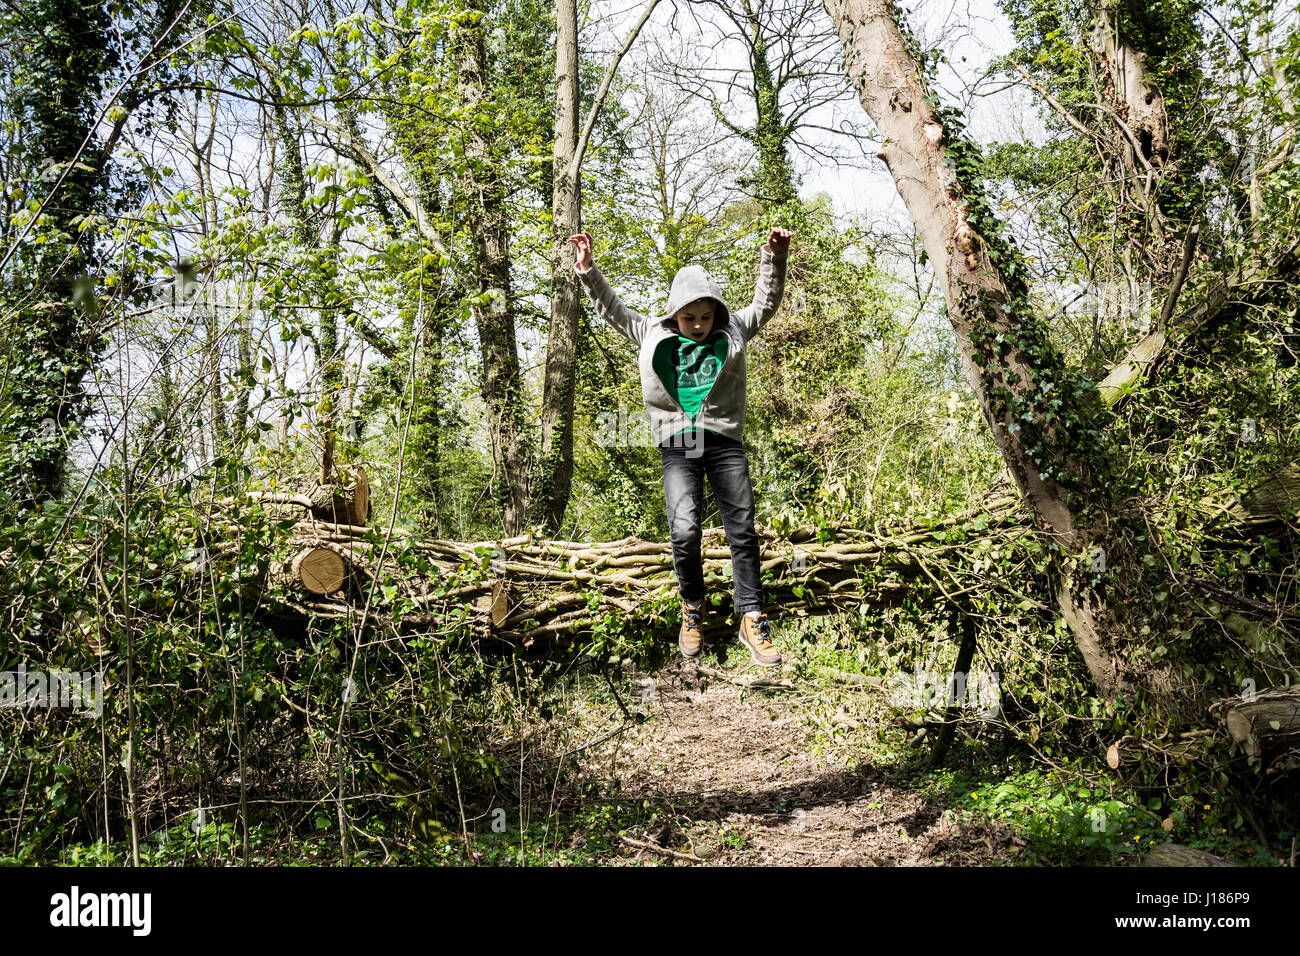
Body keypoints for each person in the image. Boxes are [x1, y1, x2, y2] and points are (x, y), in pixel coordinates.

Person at [568, 227, 792, 666]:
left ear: (715, 314)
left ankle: (751, 615)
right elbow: (611, 308)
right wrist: (588, 270)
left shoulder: (733, 330)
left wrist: (774, 257)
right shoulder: (650, 331)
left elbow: (766, 302)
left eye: (706, 318)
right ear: (675, 315)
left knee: (741, 529)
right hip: (677, 442)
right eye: (690, 319)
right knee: (685, 529)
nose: (698, 327)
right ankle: (693, 609)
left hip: (724, 440)